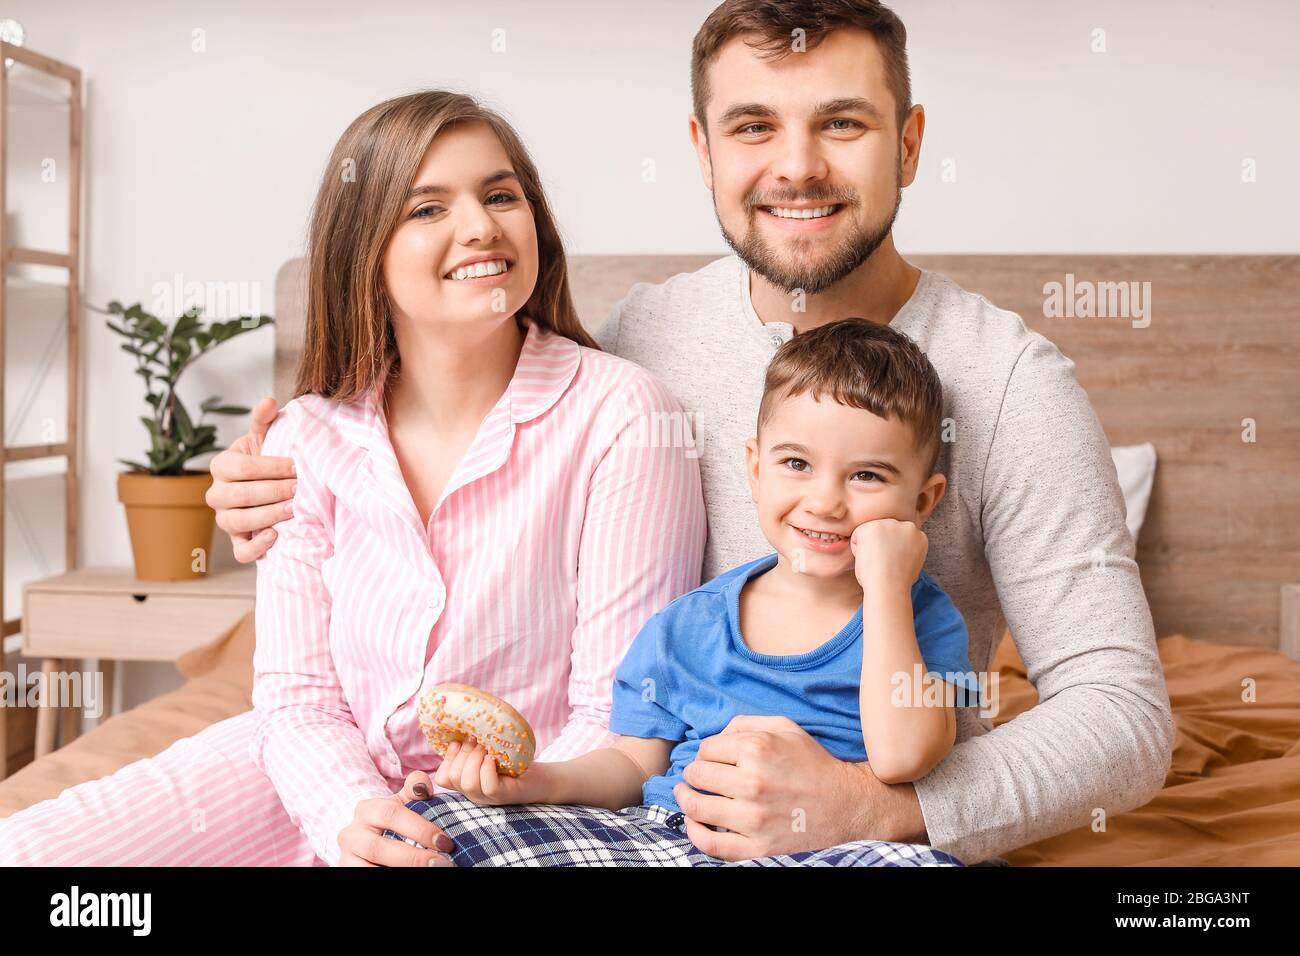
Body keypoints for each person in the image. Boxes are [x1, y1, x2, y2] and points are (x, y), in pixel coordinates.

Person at [207, 0, 1175, 865]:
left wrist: (881, 807)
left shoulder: (1009, 383)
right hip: (627, 807)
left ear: (910, 143)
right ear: (703, 149)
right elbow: (439, 431)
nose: (796, 165)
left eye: (842, 123)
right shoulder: (637, 345)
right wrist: (267, 481)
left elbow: (1122, 714)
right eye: (753, 126)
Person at [0, 90, 705, 866]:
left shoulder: (625, 418)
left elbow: (617, 716)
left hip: (513, 813)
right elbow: (298, 700)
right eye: (427, 209)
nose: (481, 226)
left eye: (500, 195)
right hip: (306, 779)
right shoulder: (306, 436)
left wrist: (482, 806)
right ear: (363, 253)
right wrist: (347, 811)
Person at [380, 319, 978, 867]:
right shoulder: (690, 623)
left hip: (827, 848)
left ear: (923, 502)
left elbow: (904, 759)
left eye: (867, 475)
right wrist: (537, 782)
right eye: (796, 463)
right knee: (432, 827)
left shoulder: (920, 620)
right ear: (755, 468)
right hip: (670, 836)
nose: (825, 501)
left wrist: (888, 589)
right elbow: (632, 765)